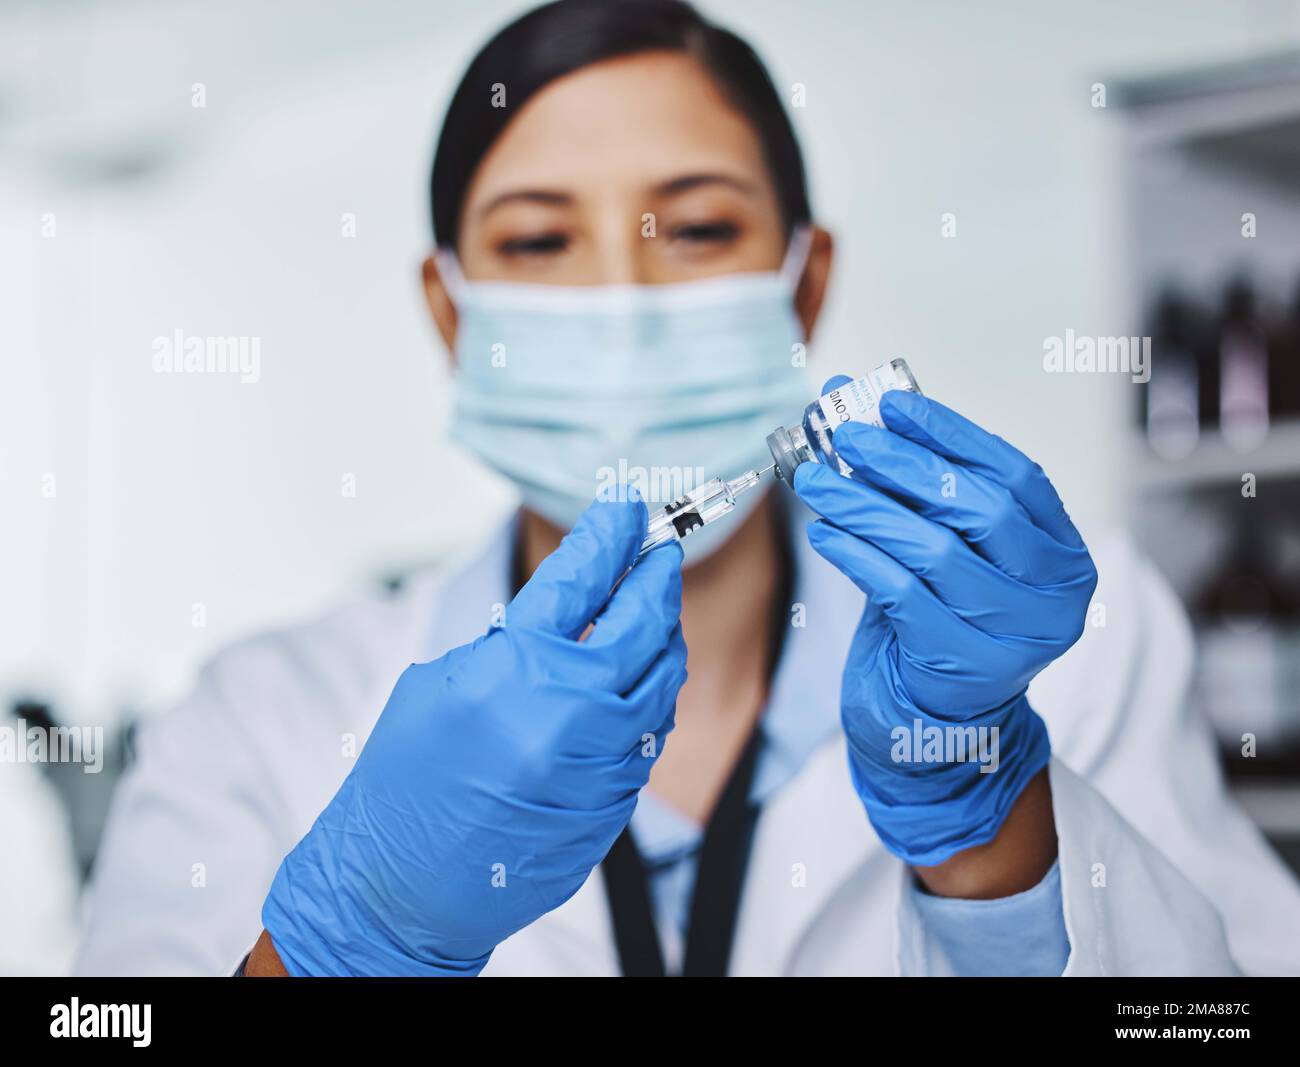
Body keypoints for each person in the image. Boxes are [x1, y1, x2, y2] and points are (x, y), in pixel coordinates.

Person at [75, 0, 1300, 977]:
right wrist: (343, 948)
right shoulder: (260, 723)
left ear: (804, 284)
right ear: (452, 310)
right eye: (542, 241)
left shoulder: (1068, 656)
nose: (624, 305)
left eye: (699, 230)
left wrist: (988, 826)